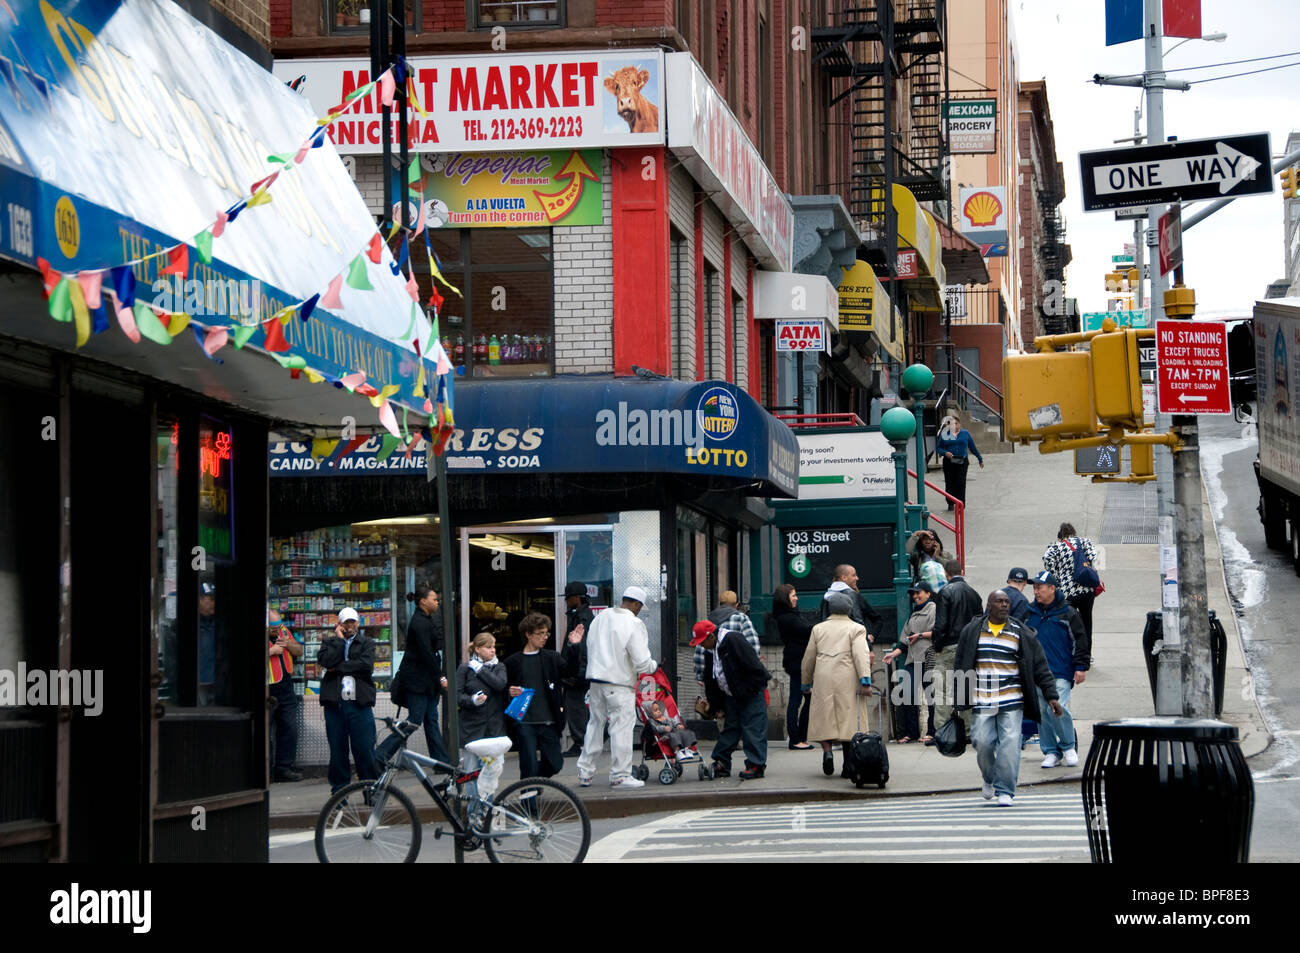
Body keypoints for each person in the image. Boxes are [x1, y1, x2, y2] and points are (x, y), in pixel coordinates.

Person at [952, 590, 1063, 807]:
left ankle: (1005, 791)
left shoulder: (1021, 632)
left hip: (1012, 699)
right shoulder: (972, 631)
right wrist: (958, 699)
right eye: (999, 601)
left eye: (1007, 602)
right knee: (981, 742)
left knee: (1010, 745)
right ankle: (989, 778)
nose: (1004, 605)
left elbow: (1040, 666)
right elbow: (960, 665)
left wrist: (1051, 695)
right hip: (983, 699)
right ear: (989, 605)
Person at [575, 585, 658, 789]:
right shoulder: (634, 623)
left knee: (595, 725)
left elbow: (590, 646)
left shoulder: (600, 617)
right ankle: (620, 775)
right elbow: (641, 661)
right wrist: (653, 666)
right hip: (619, 683)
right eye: (640, 606)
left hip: (596, 681)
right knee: (621, 728)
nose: (639, 610)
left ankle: (585, 772)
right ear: (637, 604)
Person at [800, 591, 874, 777]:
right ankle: (848, 765)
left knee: (825, 717)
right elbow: (860, 655)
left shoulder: (818, 629)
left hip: (823, 675)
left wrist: (805, 682)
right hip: (847, 676)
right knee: (849, 720)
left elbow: (808, 658)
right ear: (849, 609)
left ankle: (827, 752)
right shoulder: (856, 629)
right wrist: (865, 680)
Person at [1021, 571, 1090, 769]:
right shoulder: (1029, 612)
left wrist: (1080, 667)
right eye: (1034, 588)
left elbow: (1080, 641)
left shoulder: (1068, 613)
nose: (1036, 591)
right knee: (1042, 712)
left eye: (1039, 587)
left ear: (1052, 588)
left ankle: (1068, 746)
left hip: (1061, 670)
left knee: (1058, 708)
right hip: (1036, 673)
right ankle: (1051, 751)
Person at [692, 620, 770, 780]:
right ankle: (722, 762)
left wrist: (747, 690)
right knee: (730, 728)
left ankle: (756, 765)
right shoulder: (711, 649)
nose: (701, 646)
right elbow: (711, 679)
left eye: (702, 642)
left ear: (711, 636)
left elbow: (755, 667)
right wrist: (716, 706)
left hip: (749, 692)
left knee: (753, 728)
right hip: (732, 693)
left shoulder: (733, 640)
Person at [318, 607, 379, 795]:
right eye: (346, 622)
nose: (350, 625)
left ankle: (370, 789)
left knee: (365, 749)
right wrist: (339, 641)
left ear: (358, 623)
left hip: (359, 704)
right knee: (338, 750)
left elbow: (365, 665)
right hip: (335, 706)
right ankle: (339, 791)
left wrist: (339, 667)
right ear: (339, 624)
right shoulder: (330, 642)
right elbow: (326, 661)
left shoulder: (366, 643)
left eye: (353, 622)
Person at [504, 612, 571, 780]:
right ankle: (529, 801)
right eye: (540, 633)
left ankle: (534, 781)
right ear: (528, 635)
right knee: (528, 764)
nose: (544, 637)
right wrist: (509, 691)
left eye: (546, 633)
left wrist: (573, 646)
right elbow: (502, 687)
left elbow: (571, 673)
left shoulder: (552, 658)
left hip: (549, 720)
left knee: (556, 763)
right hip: (524, 721)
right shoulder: (512, 662)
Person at [929, 559, 982, 743]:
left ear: (946, 573)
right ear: (962, 571)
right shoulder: (974, 594)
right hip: (969, 647)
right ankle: (968, 731)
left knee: (942, 689)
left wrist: (937, 646)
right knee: (965, 688)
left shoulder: (946, 592)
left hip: (949, 646)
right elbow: (979, 622)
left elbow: (941, 623)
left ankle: (943, 731)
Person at [397, 584, 450, 765]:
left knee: (431, 720)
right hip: (417, 682)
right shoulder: (419, 622)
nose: (437, 602)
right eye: (434, 599)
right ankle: (382, 753)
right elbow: (426, 652)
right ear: (422, 601)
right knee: (415, 720)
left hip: (425, 682)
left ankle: (441, 762)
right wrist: (440, 676)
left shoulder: (426, 619)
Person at [456, 632, 509, 803]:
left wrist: (480, 670)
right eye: (488, 647)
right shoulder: (464, 668)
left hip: (493, 728)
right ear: (478, 649)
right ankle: (474, 814)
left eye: (494, 647)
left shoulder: (499, 667)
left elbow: (500, 685)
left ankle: (487, 810)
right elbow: (457, 696)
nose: (493, 650)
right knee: (471, 772)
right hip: (471, 728)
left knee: (491, 771)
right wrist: (472, 700)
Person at [883, 582, 936, 744]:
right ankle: (911, 733)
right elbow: (905, 639)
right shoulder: (914, 612)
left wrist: (920, 635)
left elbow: (938, 631)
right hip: (912, 659)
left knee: (931, 696)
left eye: (918, 593)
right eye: (913, 594)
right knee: (908, 694)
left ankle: (932, 732)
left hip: (928, 658)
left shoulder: (934, 608)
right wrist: (894, 653)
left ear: (928, 593)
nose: (915, 596)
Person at [773, 584, 816, 750]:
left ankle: (800, 737)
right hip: (798, 662)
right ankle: (796, 739)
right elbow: (806, 630)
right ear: (785, 598)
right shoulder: (787, 618)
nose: (796, 598)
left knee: (807, 699)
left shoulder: (790, 615)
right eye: (793, 595)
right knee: (796, 700)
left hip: (800, 661)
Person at [1042, 522, 1101, 644]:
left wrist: (1057, 579)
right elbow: (1096, 558)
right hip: (1086, 590)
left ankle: (1071, 652)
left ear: (1060, 536)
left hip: (1067, 592)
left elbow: (1047, 560)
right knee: (1086, 622)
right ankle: (1087, 656)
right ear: (1074, 533)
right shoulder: (1085, 542)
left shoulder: (1055, 547)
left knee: (1068, 623)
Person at [694, 591, 761, 696]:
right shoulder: (741, 619)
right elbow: (753, 645)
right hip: (736, 675)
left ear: (719, 604)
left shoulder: (709, 620)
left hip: (714, 676)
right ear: (737, 605)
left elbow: (700, 650)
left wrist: (700, 675)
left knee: (720, 709)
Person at [267, 609, 304, 782]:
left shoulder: (283, 630)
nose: (276, 631)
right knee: (264, 732)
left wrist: (287, 643)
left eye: (278, 627)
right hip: (266, 689)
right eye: (272, 628)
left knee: (289, 728)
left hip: (285, 688)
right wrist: (272, 651)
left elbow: (299, 651)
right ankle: (265, 772)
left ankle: (284, 769)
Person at [560, 581, 594, 756]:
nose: (566, 601)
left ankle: (581, 742)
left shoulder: (582, 618)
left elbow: (583, 649)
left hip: (577, 674)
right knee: (576, 707)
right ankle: (581, 740)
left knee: (575, 708)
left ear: (576, 598)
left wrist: (577, 674)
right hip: (576, 672)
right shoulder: (579, 615)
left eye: (568, 598)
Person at [818, 564, 883, 640]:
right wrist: (867, 644)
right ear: (844, 577)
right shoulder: (852, 595)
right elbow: (858, 622)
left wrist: (872, 636)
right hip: (852, 645)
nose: (857, 578)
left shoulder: (826, 597)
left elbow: (823, 623)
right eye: (854, 575)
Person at [935, 414, 984, 510]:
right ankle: (950, 502)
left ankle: (960, 504)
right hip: (949, 462)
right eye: (952, 424)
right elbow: (938, 448)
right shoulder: (945, 435)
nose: (955, 426)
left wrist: (980, 459)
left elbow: (972, 447)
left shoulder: (965, 434)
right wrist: (945, 453)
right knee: (949, 483)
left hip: (962, 461)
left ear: (960, 424)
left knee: (960, 483)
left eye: (956, 423)